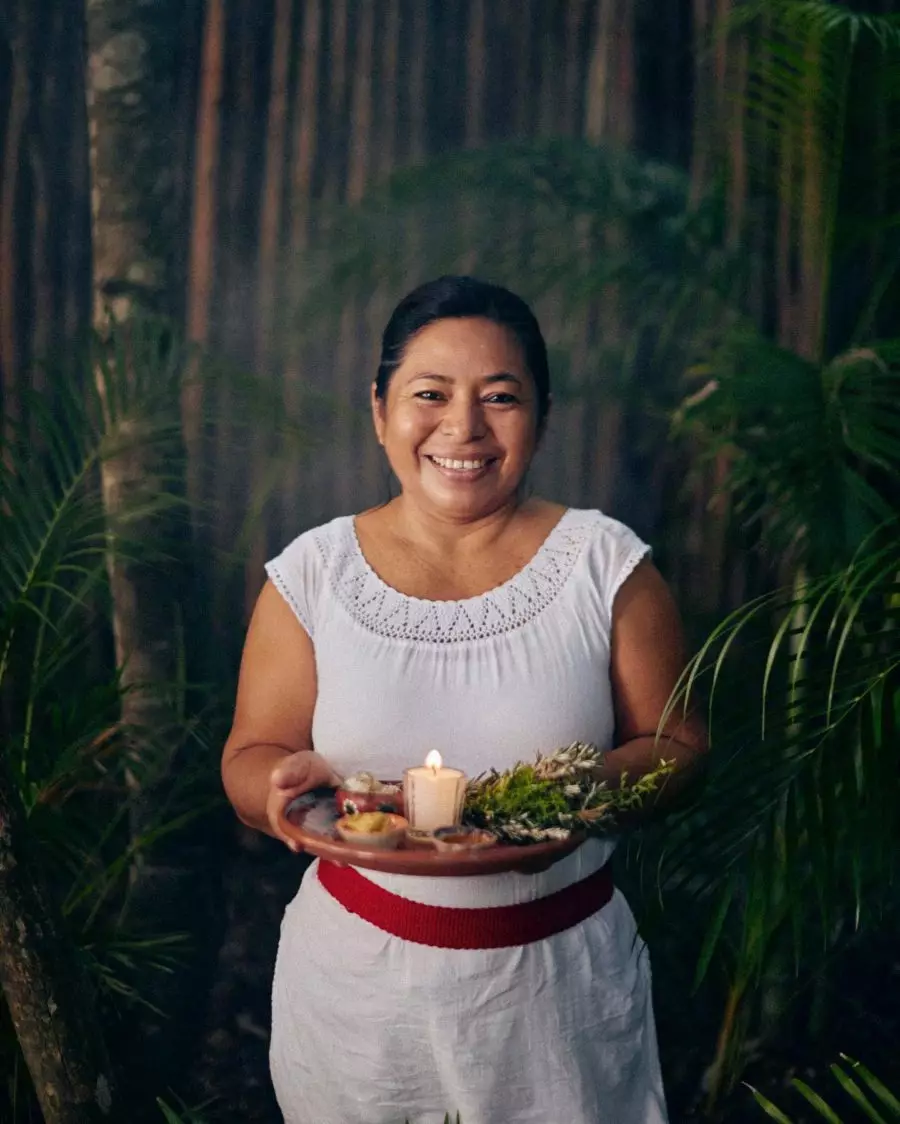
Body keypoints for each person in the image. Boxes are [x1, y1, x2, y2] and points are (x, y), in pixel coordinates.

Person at [221, 276, 707, 1124]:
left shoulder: (608, 567)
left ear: (543, 417)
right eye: (430, 394)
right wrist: (273, 789)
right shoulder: (313, 576)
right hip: (356, 992)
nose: (464, 427)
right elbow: (249, 753)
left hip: (557, 992)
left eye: (501, 397)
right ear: (379, 410)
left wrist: (580, 796)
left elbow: (680, 747)